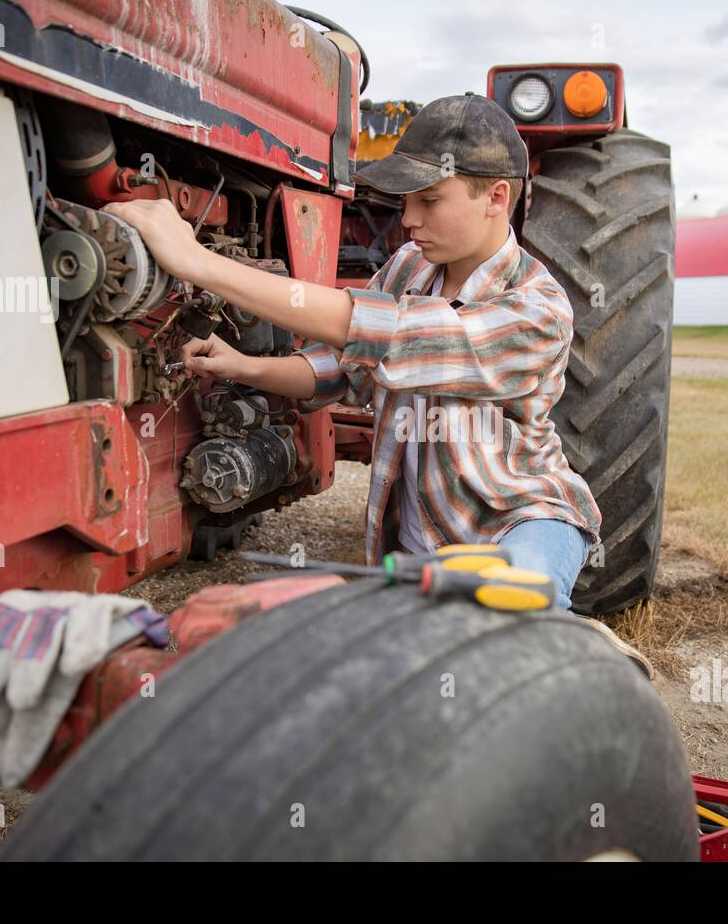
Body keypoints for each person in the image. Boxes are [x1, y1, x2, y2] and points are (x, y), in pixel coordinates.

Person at [103, 94, 601, 612]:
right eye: (406, 200)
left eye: (428, 201)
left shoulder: (538, 310)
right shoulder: (410, 267)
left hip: (518, 522)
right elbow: (342, 367)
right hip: (423, 540)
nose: (407, 219)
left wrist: (197, 262)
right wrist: (242, 365)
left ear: (496, 197)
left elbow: (393, 335)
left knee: (519, 614)